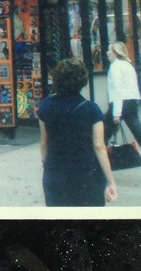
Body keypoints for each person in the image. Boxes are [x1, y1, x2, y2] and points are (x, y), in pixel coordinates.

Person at [38, 57, 118, 206]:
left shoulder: (46, 106)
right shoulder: (92, 109)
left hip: (55, 174)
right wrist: (111, 181)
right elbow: (99, 147)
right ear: (82, 81)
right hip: (86, 175)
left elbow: (44, 143)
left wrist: (48, 165)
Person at [104, 41, 141, 162]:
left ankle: (97, 170)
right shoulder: (128, 65)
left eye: (110, 50)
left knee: (102, 137)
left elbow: (118, 90)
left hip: (119, 104)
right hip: (131, 103)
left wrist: (116, 113)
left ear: (115, 53)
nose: (107, 53)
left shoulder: (115, 67)